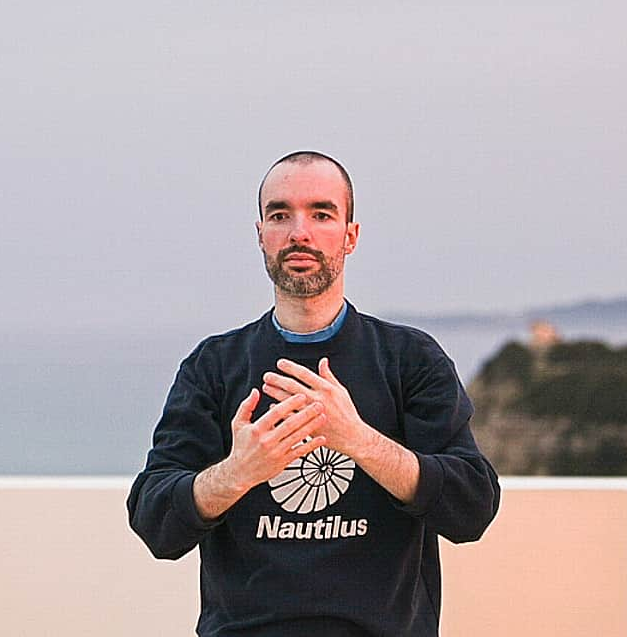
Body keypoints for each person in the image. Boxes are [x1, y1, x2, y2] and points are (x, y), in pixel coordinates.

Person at [127, 151, 500, 636]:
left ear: (351, 235)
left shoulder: (410, 359)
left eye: (321, 214)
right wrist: (237, 473)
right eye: (280, 215)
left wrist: (358, 440)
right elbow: (156, 521)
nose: (299, 232)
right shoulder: (214, 366)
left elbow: (470, 508)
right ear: (260, 235)